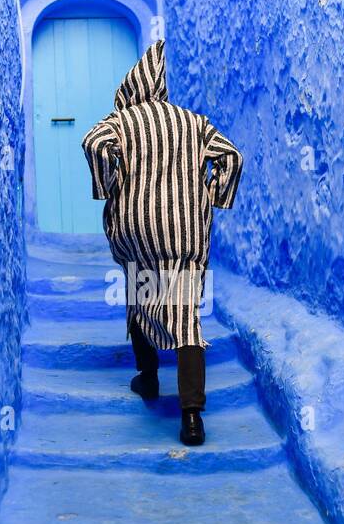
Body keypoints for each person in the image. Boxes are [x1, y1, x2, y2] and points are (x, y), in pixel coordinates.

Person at [82, 39, 243, 446]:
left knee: (140, 291)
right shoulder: (194, 121)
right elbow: (232, 158)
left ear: (133, 84)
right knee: (186, 314)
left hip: (138, 228)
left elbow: (93, 143)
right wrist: (212, 196)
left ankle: (149, 377)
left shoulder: (122, 120)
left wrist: (110, 185)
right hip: (185, 229)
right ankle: (191, 418)